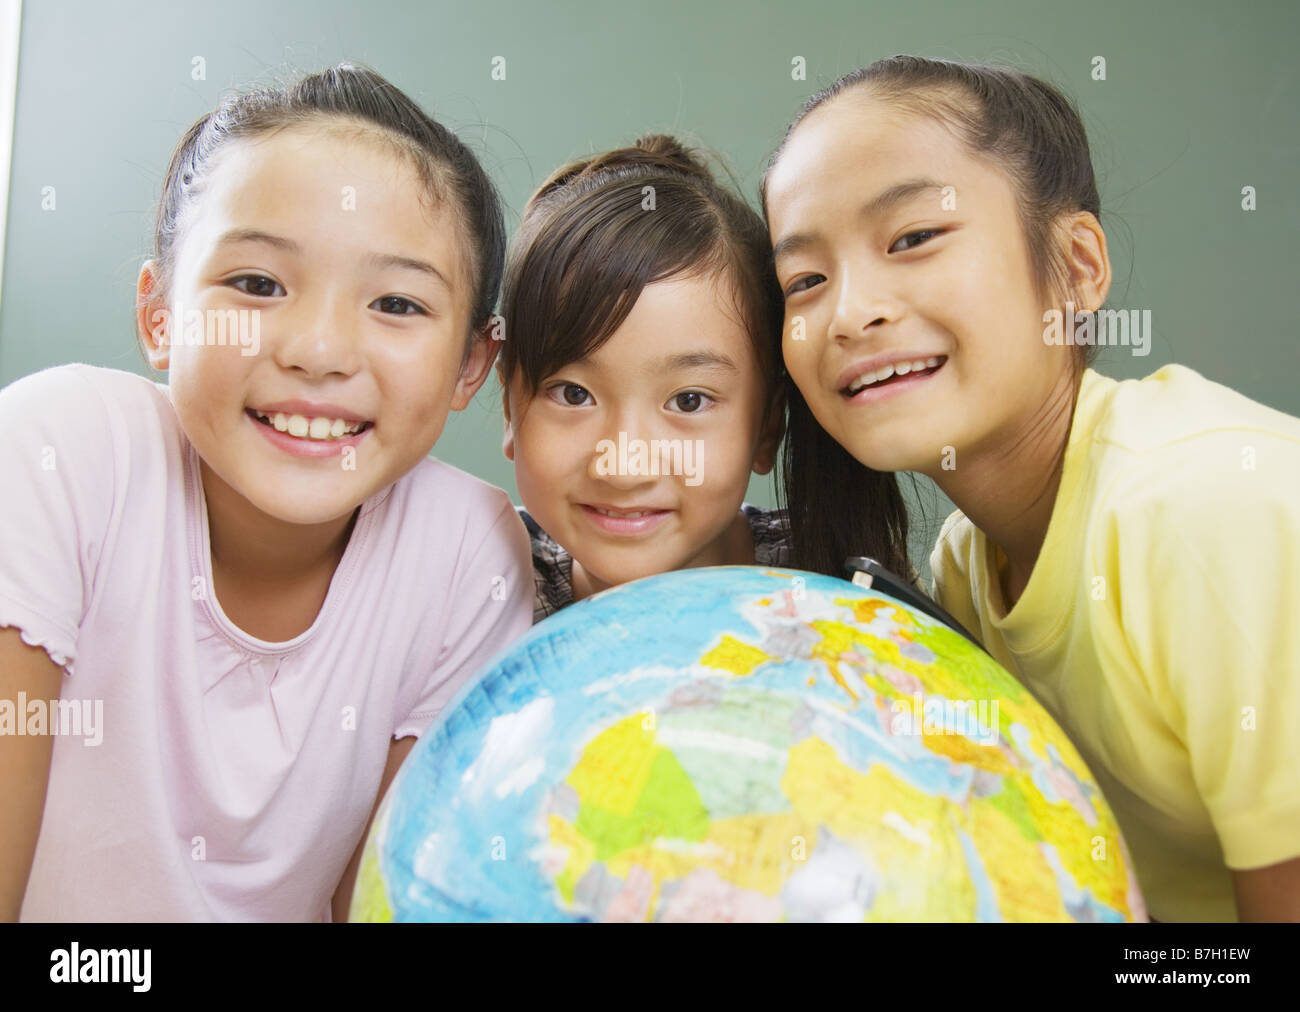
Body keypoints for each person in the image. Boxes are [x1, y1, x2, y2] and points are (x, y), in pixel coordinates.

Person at [762, 55, 1300, 921]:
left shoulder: (1202, 514)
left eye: (912, 238)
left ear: (1078, 266)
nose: (851, 312)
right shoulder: (968, 566)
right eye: (805, 282)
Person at [0, 64, 534, 921]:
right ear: (160, 315)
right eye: (256, 284)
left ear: (473, 363)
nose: (319, 350)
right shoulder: (59, 452)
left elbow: (390, 901)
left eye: (396, 302)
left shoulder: (468, 551)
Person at [500, 134, 888, 622]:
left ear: (769, 426)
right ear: (509, 406)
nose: (624, 467)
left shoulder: (840, 595)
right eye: (574, 395)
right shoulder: (471, 584)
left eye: (688, 401)